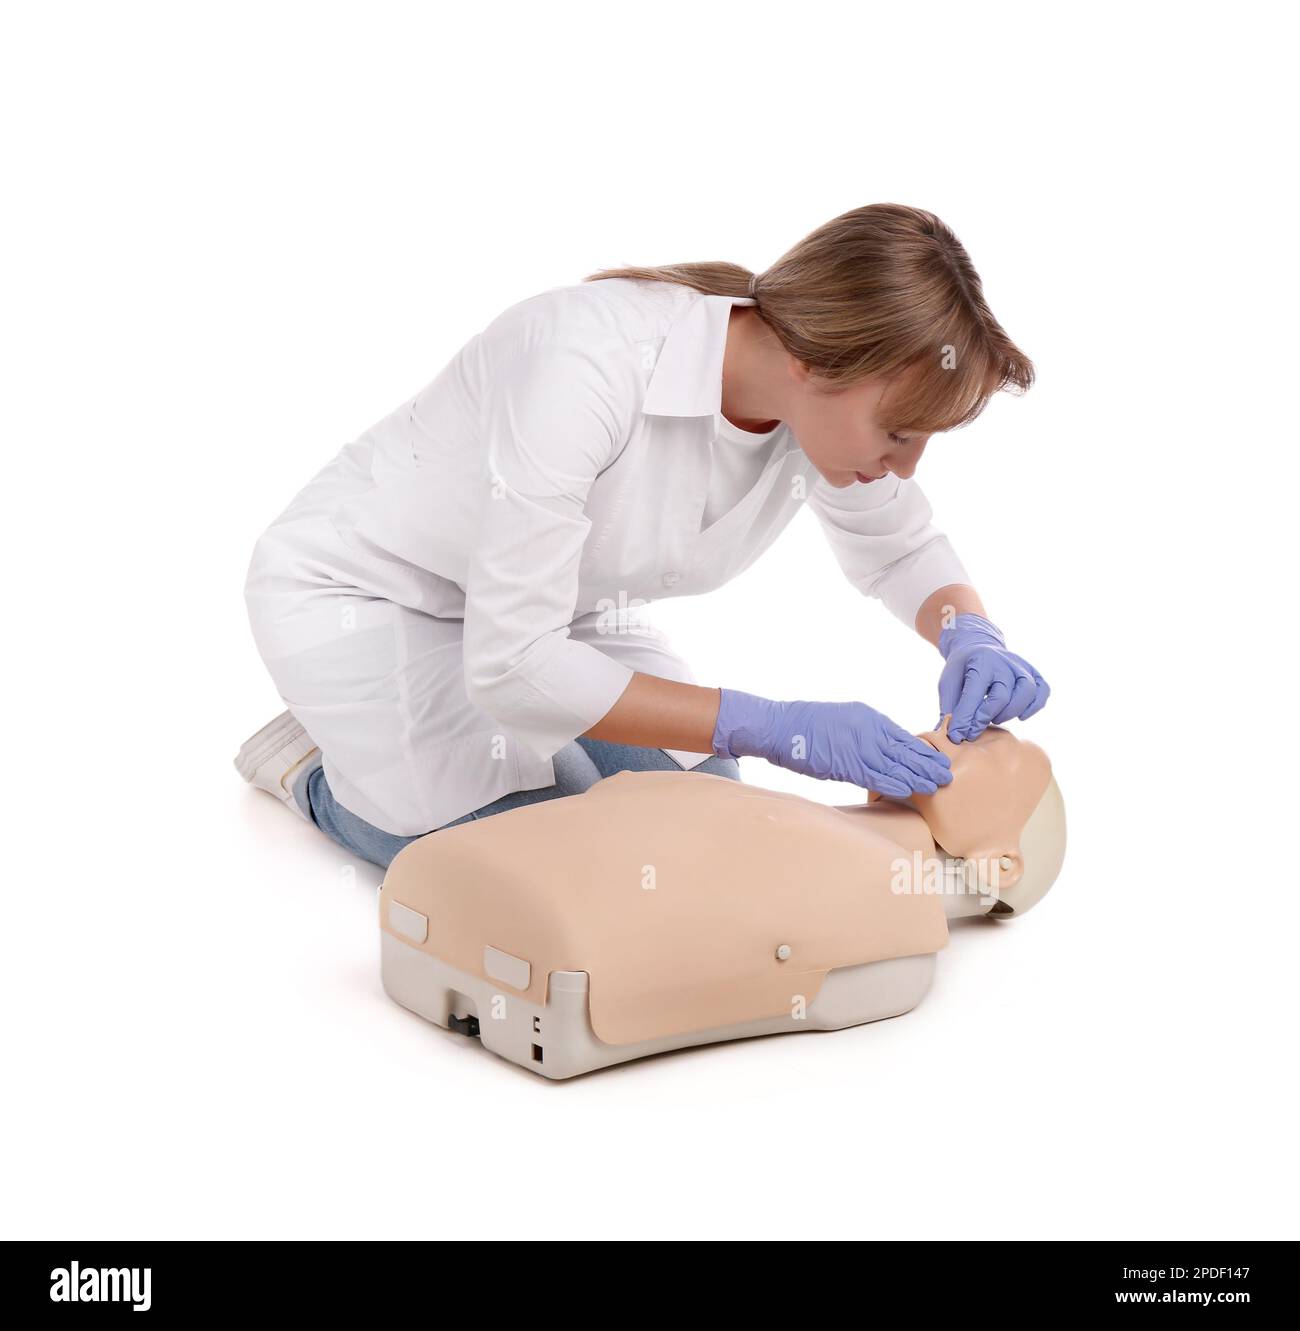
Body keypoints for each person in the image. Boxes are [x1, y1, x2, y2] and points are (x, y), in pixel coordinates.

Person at [237, 204, 1050, 869]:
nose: (905, 466)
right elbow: (512, 665)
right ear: (819, 360)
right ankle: (313, 767)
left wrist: (969, 632)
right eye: (900, 432)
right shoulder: (585, 361)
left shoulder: (808, 412)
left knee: (702, 803)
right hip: (371, 595)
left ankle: (466, 757)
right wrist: (770, 722)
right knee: (524, 856)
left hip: (554, 614)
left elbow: (901, 546)